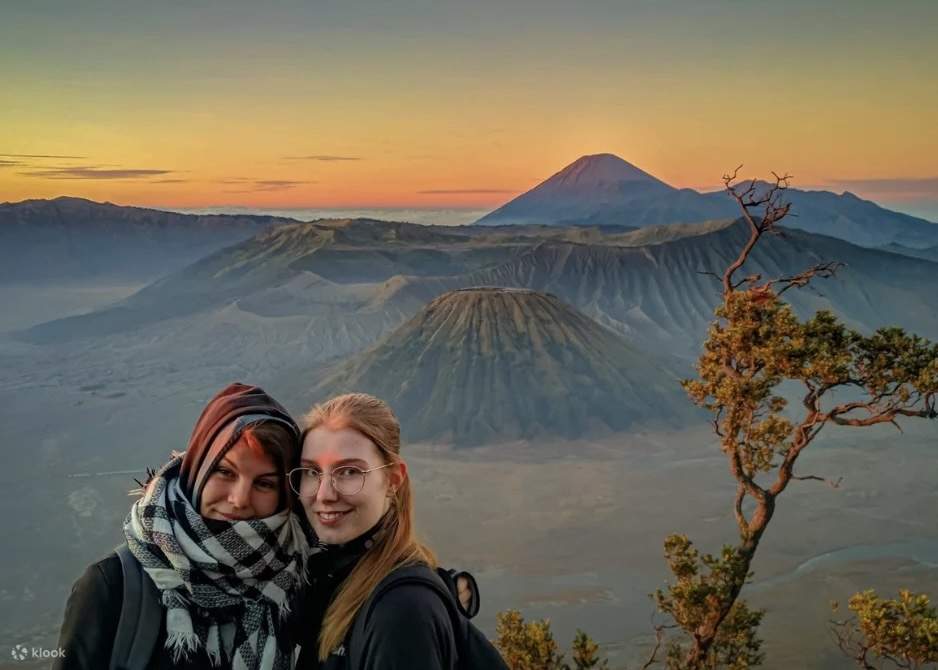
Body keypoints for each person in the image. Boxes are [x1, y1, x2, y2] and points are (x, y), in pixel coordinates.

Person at [55, 383, 308, 670]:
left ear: (285, 494)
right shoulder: (112, 585)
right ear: (197, 470)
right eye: (224, 472)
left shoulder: (301, 582)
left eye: (264, 483)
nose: (239, 500)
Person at [292, 393, 504, 670]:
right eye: (311, 472)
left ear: (393, 479)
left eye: (348, 472)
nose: (324, 494)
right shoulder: (329, 578)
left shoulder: (400, 613)